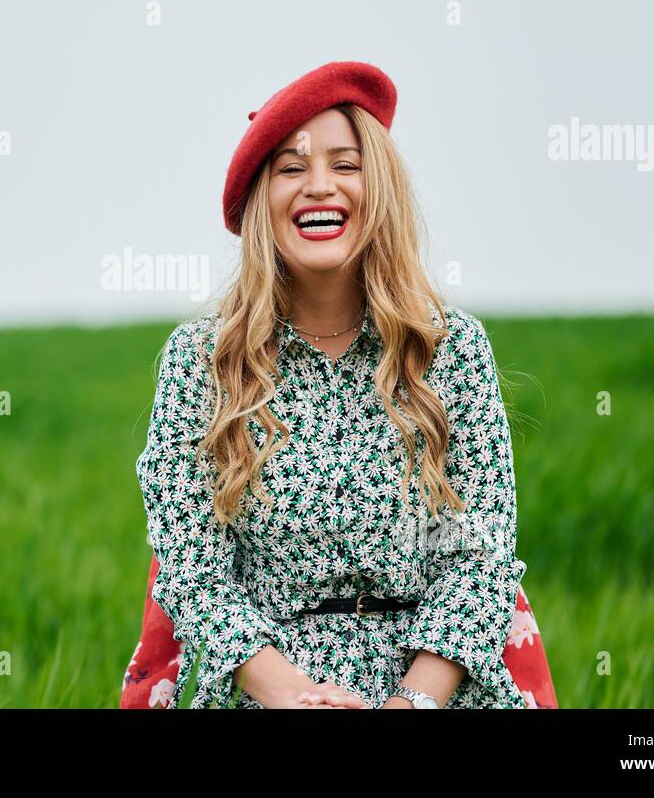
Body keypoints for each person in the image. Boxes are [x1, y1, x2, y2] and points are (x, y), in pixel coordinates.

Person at [128, 61, 558, 709]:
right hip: (265, 690)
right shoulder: (201, 361)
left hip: (436, 691)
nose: (318, 187)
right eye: (291, 169)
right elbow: (192, 575)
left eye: (345, 165)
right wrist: (295, 698)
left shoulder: (451, 348)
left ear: (379, 189)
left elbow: (479, 559)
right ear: (258, 201)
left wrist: (408, 704)